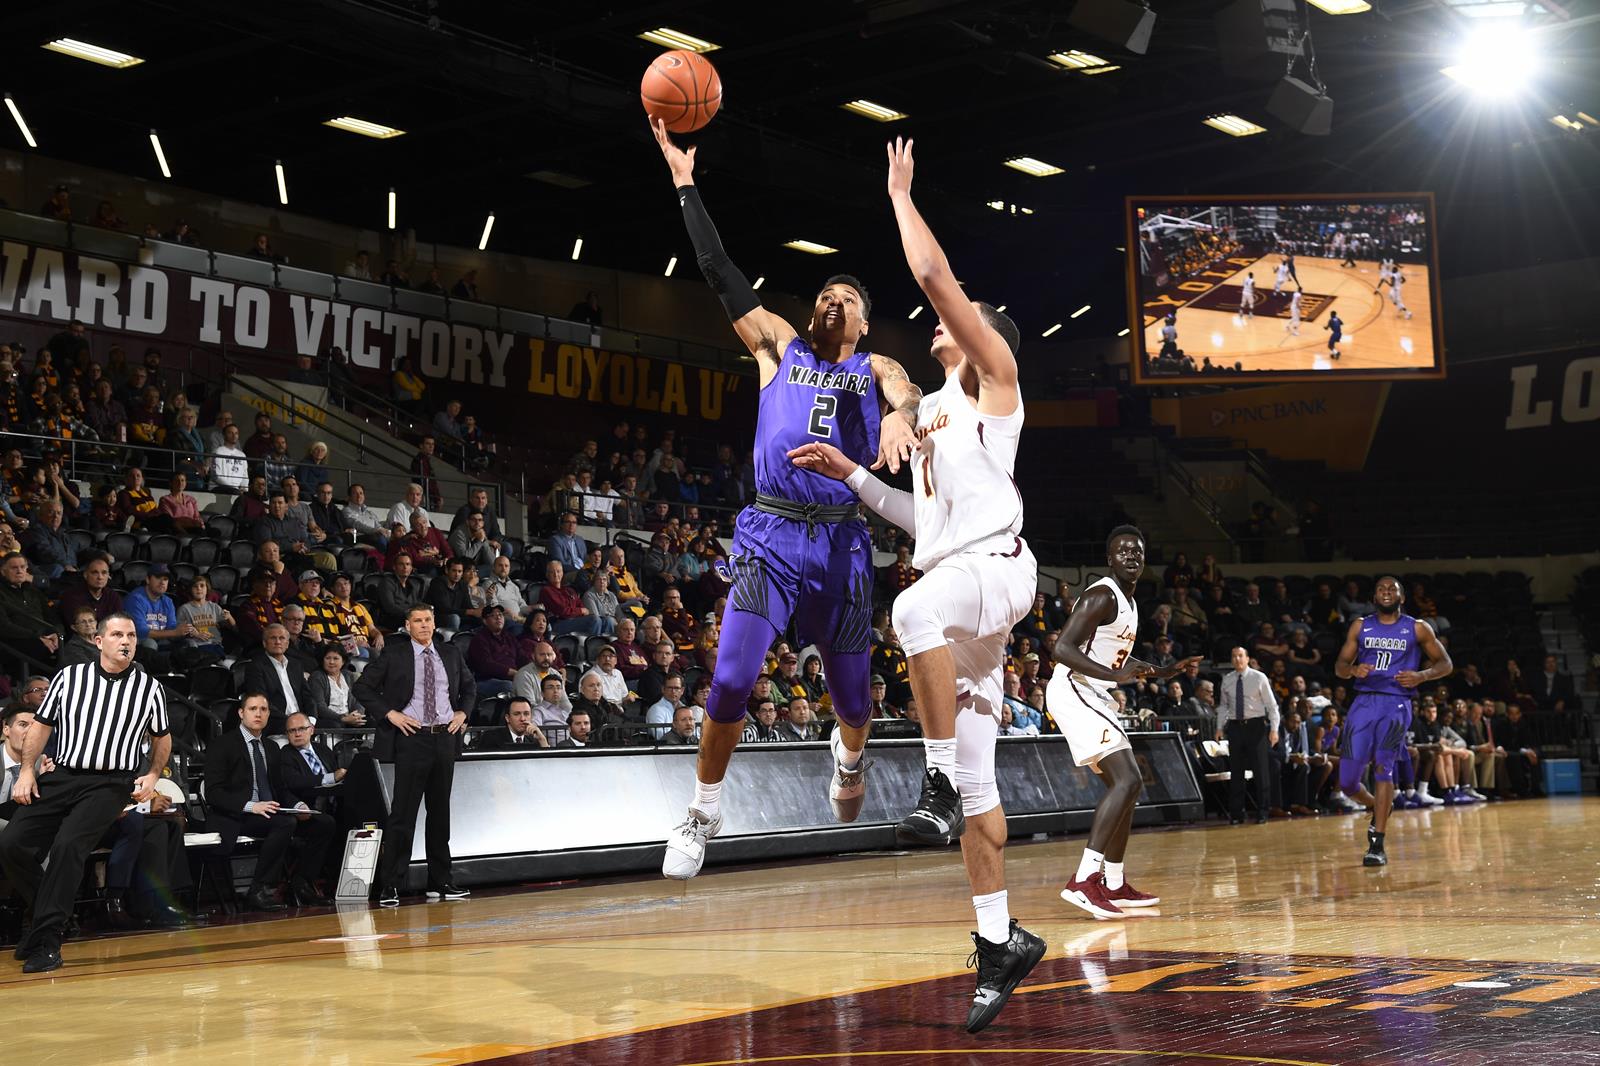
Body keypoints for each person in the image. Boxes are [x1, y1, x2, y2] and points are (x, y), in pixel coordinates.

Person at [788, 138, 1051, 1028]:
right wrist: (853, 475)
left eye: (964, 319)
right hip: (961, 585)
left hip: (999, 571)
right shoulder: (931, 409)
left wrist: (901, 197)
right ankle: (1000, 940)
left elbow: (936, 276)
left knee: (908, 607)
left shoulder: (996, 389)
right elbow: (921, 521)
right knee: (981, 793)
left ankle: (929, 782)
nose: (943, 320)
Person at [650, 117, 921, 884]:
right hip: (770, 532)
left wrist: (900, 416)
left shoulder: (874, 366)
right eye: (825, 294)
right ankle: (703, 809)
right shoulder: (777, 346)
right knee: (732, 678)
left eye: (846, 298)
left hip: (841, 542)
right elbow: (717, 268)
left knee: (854, 700)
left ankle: (850, 753)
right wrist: (684, 183)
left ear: (862, 321)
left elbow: (907, 389)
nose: (832, 300)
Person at [0, 614, 170, 972]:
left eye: (131, 635)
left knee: (68, 847)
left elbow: (162, 736)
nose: (126, 641)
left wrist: (153, 773)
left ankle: (47, 941)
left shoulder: (149, 688)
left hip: (110, 783)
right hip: (63, 775)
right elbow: (41, 726)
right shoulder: (69, 677)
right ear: (99, 641)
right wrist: (27, 771)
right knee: (11, 843)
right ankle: (48, 917)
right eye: (117, 634)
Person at [1049, 527, 1198, 921]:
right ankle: (1084, 880)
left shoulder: (1129, 603)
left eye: (1137, 551)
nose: (1131, 556)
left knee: (1127, 787)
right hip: (1073, 688)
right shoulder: (1102, 595)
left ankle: (1114, 883)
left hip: (1092, 692)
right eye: (1123, 551)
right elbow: (1061, 648)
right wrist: (1114, 678)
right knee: (1128, 779)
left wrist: (1162, 671)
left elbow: (1114, 657)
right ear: (1109, 559)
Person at [354, 605, 475, 906]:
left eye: (428, 620)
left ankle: (440, 881)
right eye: (417, 621)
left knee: (440, 814)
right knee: (403, 815)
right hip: (412, 739)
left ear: (434, 623)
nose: (424, 625)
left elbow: (470, 687)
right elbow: (362, 687)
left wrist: (463, 712)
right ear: (407, 626)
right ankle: (391, 884)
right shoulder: (394, 654)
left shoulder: (450, 653)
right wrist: (390, 714)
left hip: (444, 738)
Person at [1333, 575, 1452, 867]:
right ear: (1374, 597)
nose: (1386, 592)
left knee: (1383, 769)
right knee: (1347, 782)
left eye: (1392, 589)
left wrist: (1422, 675)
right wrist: (1353, 670)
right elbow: (1339, 666)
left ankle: (1377, 842)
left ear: (1402, 597)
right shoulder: (1360, 625)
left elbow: (1445, 663)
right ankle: (1378, 806)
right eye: (1381, 589)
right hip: (1363, 704)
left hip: (1397, 705)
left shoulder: (1417, 627)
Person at [204, 694, 336, 910]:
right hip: (237, 815)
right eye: (253, 709)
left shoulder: (272, 747)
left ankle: (302, 883)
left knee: (324, 823)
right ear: (241, 713)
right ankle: (260, 889)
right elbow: (213, 793)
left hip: (270, 812)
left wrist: (298, 806)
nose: (258, 714)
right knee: (284, 824)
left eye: (263, 709)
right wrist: (251, 806)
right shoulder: (222, 744)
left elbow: (280, 789)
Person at [1217, 645, 1280, 826]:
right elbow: (1223, 706)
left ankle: (1263, 811)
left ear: (1247, 658)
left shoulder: (1259, 677)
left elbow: (1272, 706)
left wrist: (1274, 729)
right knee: (1236, 771)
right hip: (1235, 727)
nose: (1237, 659)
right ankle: (1237, 813)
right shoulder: (1227, 679)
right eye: (1234, 656)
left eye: (1240, 656)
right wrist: (1219, 727)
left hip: (1256, 726)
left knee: (1260, 771)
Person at [278, 711, 347, 820]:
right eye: (292, 730)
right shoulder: (285, 754)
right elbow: (295, 782)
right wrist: (331, 777)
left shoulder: (323, 749)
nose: (297, 734)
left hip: (336, 801)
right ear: (287, 734)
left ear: (311, 730)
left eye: (302, 729)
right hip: (310, 806)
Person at [472, 697, 549, 750]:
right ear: (507, 718)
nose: (522, 719)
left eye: (526, 714)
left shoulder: (535, 739)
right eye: (517, 714)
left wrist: (543, 740)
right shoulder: (490, 738)